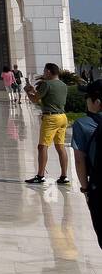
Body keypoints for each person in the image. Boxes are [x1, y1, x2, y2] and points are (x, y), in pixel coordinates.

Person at [25, 63, 70, 187]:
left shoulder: (46, 84)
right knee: (60, 146)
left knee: (42, 146)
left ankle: (40, 176)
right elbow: (47, 96)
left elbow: (35, 99)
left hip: (51, 118)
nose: (44, 73)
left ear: (49, 72)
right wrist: (33, 91)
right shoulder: (63, 85)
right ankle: (64, 176)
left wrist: (28, 92)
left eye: (45, 71)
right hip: (62, 117)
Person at [75, 80, 102, 248]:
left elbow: (79, 160)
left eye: (87, 97)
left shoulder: (83, 124)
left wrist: (85, 189)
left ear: (97, 103)